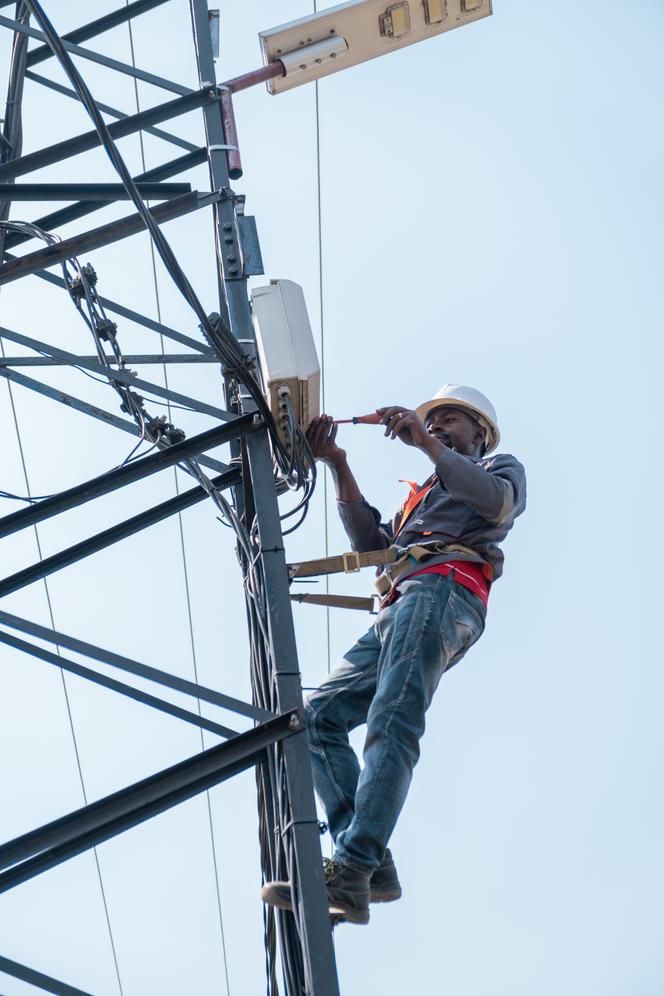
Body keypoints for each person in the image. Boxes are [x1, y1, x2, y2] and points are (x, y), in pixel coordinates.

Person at [261, 385, 526, 925]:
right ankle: (369, 862)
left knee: (393, 718)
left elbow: (496, 501)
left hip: (443, 590)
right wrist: (337, 463)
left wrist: (429, 444)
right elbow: (369, 541)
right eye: (439, 420)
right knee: (317, 720)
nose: (443, 427)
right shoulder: (427, 494)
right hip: (401, 603)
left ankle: (353, 868)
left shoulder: (500, 467)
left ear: (480, 433)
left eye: (452, 420)